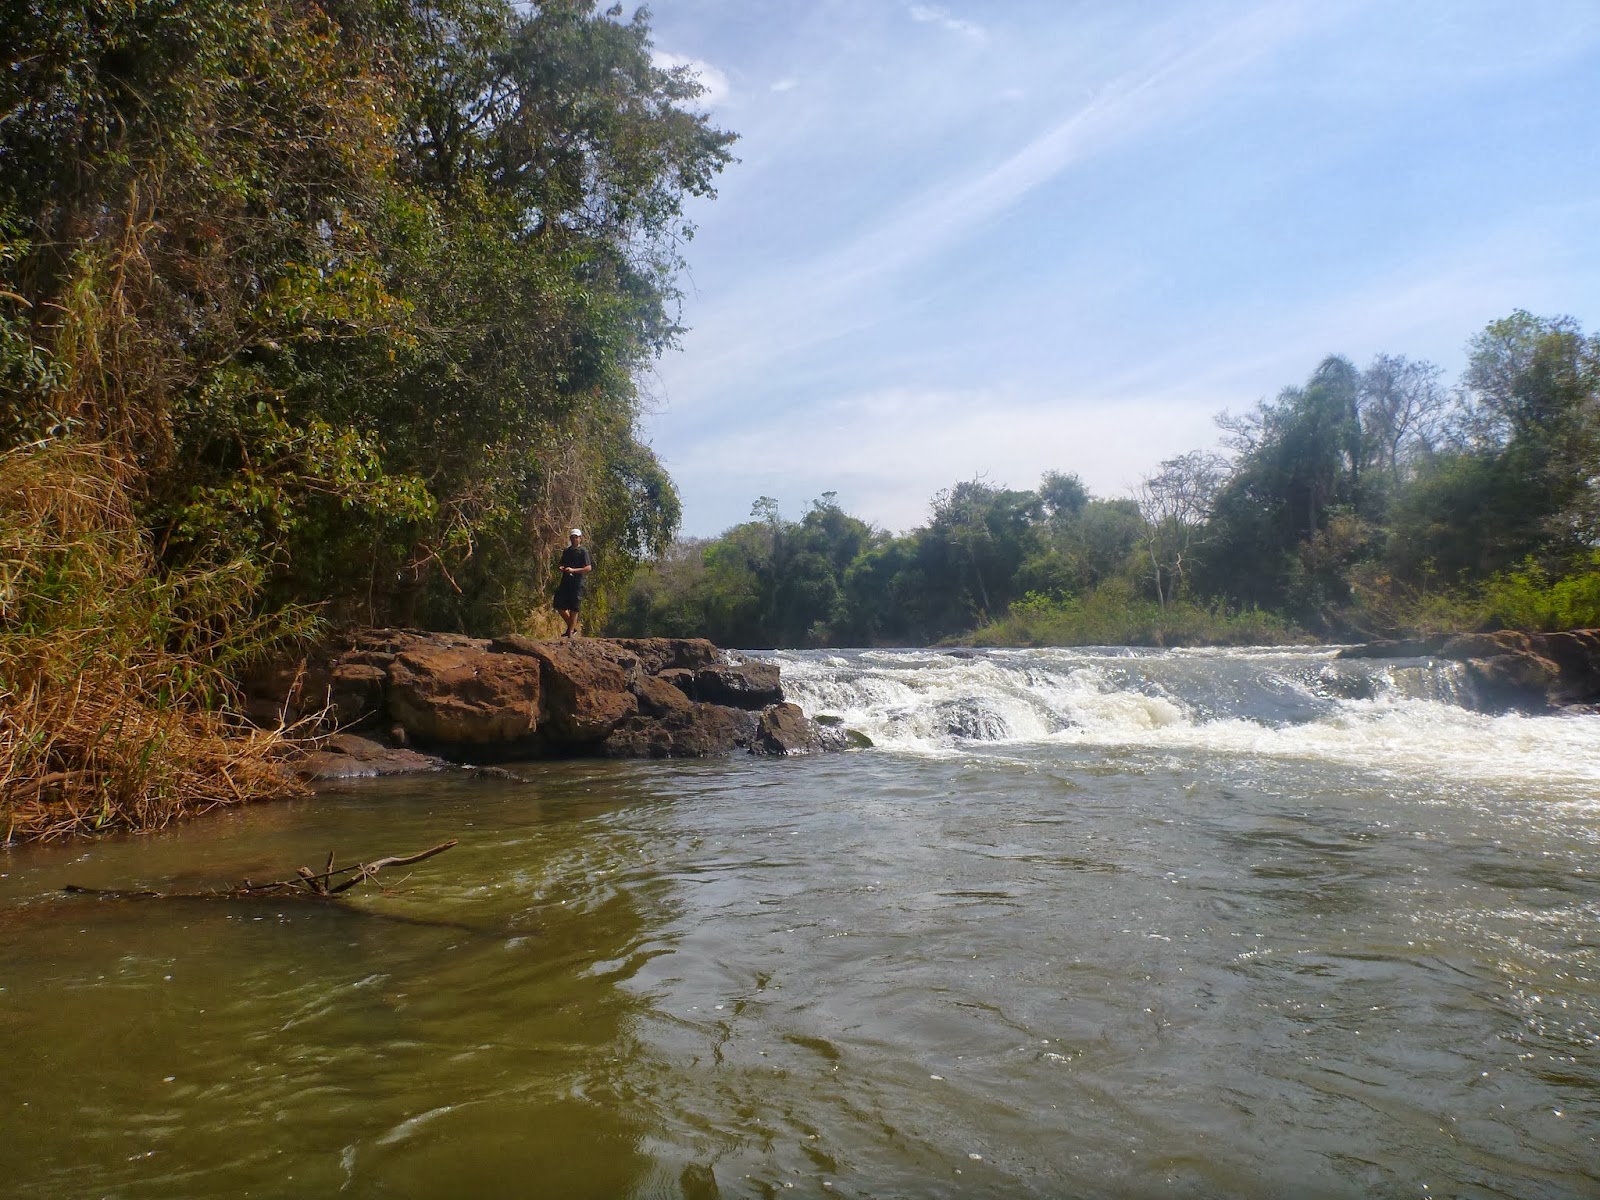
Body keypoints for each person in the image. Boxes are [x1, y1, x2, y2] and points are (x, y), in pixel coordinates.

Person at [553, 528, 593, 637]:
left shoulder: (583, 552)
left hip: (577, 583)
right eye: (572, 537)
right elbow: (561, 564)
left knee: (575, 607)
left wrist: (574, 571)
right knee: (559, 604)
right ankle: (572, 627)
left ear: (580, 538)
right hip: (566, 582)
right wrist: (562, 568)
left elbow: (588, 568)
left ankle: (570, 631)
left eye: (576, 537)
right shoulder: (567, 551)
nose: (574, 539)